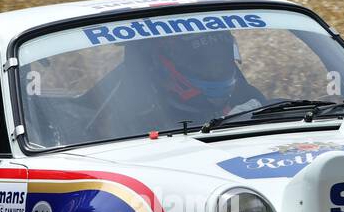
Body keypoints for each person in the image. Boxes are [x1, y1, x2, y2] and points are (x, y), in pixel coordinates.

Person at [98, 30, 266, 135]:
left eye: (221, 59)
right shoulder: (135, 123)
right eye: (200, 61)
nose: (215, 68)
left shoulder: (248, 99)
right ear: (164, 65)